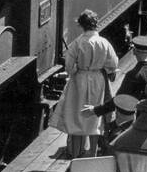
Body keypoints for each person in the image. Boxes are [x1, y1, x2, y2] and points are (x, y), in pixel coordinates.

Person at [49, 9, 118, 158]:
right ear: (95, 24)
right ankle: (92, 155)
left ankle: (75, 157)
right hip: (98, 80)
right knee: (95, 118)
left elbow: (69, 67)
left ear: (81, 25)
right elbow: (113, 64)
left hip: (79, 81)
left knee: (77, 119)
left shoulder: (77, 43)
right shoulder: (104, 43)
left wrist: (77, 70)